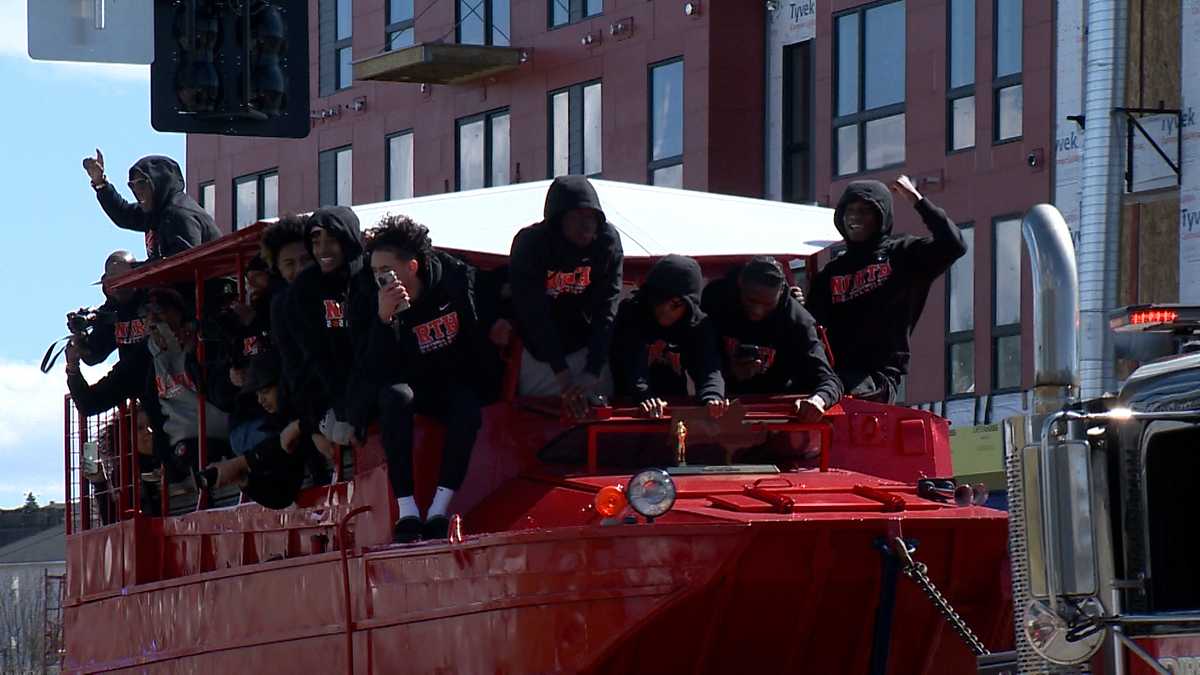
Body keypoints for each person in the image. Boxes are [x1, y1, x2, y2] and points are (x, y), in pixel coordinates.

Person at [350, 216, 495, 542]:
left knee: (466, 406)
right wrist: (384, 320)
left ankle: (439, 509)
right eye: (375, 271)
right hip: (402, 382)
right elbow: (370, 367)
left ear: (412, 266)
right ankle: (408, 509)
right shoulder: (367, 296)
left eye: (387, 270)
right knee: (396, 398)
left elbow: (480, 324)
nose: (380, 278)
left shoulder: (453, 278)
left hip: (450, 378)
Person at [806, 175, 966, 403]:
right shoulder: (830, 273)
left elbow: (953, 244)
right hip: (832, 376)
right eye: (850, 211)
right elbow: (811, 326)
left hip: (877, 379)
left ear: (881, 216)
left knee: (834, 386)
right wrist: (795, 305)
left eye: (864, 211)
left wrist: (916, 199)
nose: (855, 217)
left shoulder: (902, 255)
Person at [509, 176, 623, 417]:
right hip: (541, 351)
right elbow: (533, 313)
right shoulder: (531, 244)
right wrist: (561, 374)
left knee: (597, 413)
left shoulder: (607, 242)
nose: (586, 225)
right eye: (576, 217)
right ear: (558, 219)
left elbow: (608, 307)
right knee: (540, 416)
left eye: (591, 217)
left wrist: (592, 370)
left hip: (585, 343)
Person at [702, 256, 842, 422]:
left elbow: (830, 380)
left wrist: (818, 400)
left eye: (768, 304)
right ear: (740, 283)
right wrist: (729, 371)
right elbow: (698, 355)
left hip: (778, 409)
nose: (757, 311)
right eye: (751, 300)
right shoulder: (717, 301)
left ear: (781, 292)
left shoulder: (797, 321)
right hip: (721, 407)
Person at [285, 206, 373, 447]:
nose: (322, 249)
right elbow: (314, 357)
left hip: (377, 383)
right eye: (316, 241)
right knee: (339, 430)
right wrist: (339, 410)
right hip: (331, 392)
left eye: (332, 240)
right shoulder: (304, 289)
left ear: (349, 239)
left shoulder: (372, 275)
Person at [611, 254, 727, 419]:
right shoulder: (631, 314)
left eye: (676, 304)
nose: (665, 309)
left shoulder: (697, 325)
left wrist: (712, 397)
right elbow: (630, 363)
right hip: (627, 408)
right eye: (660, 299)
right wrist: (643, 395)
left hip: (675, 407)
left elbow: (709, 366)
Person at [199, 351, 310, 509]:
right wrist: (243, 479)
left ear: (283, 385)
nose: (260, 400)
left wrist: (240, 463)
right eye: (257, 394)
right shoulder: (275, 421)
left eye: (265, 392)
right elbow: (282, 497)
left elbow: (281, 443)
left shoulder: (306, 401)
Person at [83, 150, 220, 260]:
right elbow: (123, 214)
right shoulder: (156, 211)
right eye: (132, 185)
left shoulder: (179, 214)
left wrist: (133, 270)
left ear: (160, 182)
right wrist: (100, 183)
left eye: (141, 183)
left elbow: (183, 263)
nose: (136, 190)